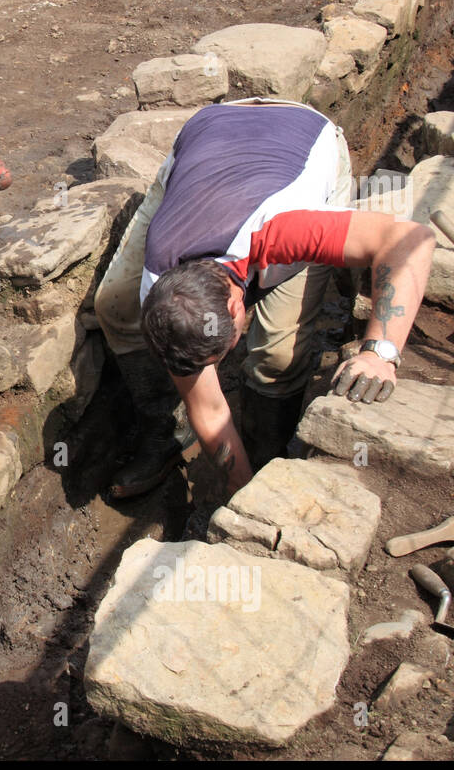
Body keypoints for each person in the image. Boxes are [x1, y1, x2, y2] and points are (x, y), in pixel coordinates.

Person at [92, 97, 435, 497]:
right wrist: (241, 496)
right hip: (211, 135)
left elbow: (410, 239)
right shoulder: (160, 281)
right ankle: (166, 433)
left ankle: (268, 451)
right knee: (115, 304)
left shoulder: (289, 228)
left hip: (302, 136)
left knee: (278, 356)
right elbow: (209, 407)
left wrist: (379, 351)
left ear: (238, 306)